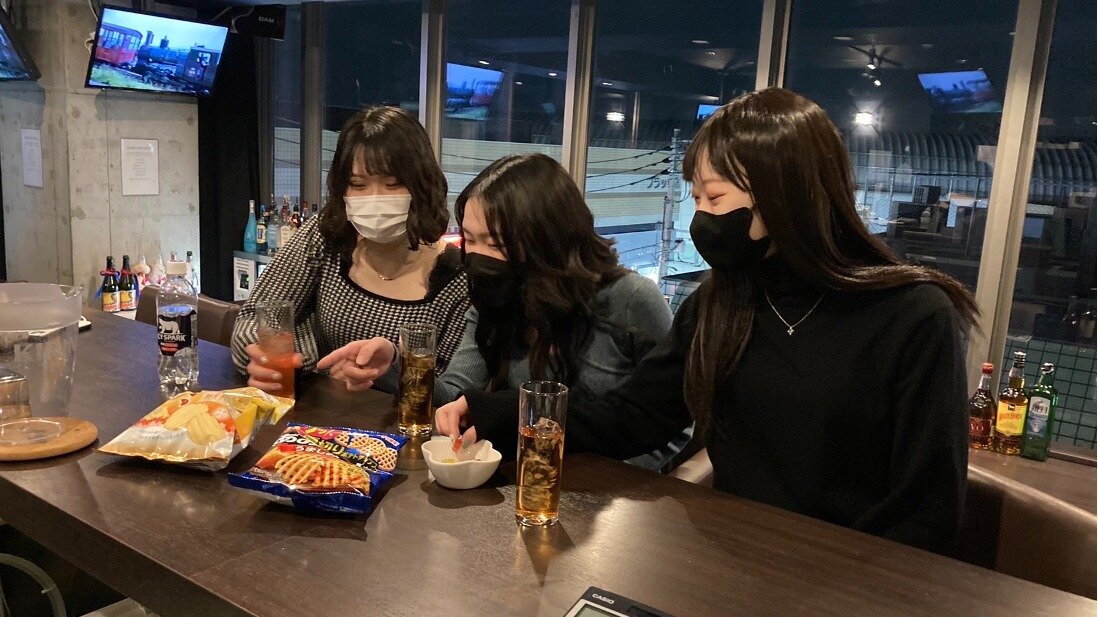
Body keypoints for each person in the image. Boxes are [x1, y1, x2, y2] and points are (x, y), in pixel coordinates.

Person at [438, 88, 978, 554]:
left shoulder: (911, 315)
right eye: (695, 198)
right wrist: (502, 412)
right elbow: (632, 418)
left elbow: (926, 513)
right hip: (732, 558)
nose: (700, 218)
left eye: (714, 197)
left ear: (783, 194)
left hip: (852, 579)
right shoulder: (720, 304)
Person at [319, 153, 683, 470]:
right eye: (470, 239)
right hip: (524, 484)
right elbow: (456, 396)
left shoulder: (629, 299)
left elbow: (675, 427)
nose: (479, 257)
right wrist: (396, 365)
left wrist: (606, 480)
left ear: (546, 240)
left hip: (609, 503)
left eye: (496, 243)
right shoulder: (495, 300)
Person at [231, 106, 469, 391]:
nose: (374, 199)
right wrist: (273, 361)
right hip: (316, 412)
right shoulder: (326, 237)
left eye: (392, 184)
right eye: (358, 184)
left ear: (422, 185)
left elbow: (447, 393)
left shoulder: (456, 279)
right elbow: (254, 316)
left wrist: (386, 373)